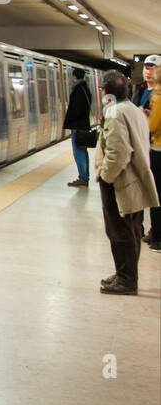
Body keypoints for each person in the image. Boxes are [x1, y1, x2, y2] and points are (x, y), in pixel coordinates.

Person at [95, 70, 159, 295]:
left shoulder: (114, 113)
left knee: (119, 232)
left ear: (106, 91)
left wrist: (105, 176)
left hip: (121, 182)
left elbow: (118, 152)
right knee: (131, 230)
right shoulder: (134, 110)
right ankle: (124, 274)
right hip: (135, 180)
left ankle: (126, 280)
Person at [138, 54, 161, 250]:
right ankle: (150, 229)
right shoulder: (142, 91)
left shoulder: (158, 95)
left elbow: (152, 125)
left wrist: (144, 116)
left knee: (156, 193)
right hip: (143, 148)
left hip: (155, 148)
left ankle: (157, 232)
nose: (148, 71)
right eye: (146, 67)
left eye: (152, 68)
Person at [63, 67, 93, 186]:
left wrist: (70, 121)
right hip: (83, 124)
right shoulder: (85, 88)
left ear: (74, 76)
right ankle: (84, 177)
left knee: (78, 152)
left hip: (78, 126)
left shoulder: (78, 90)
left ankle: (83, 178)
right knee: (83, 151)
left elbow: (76, 109)